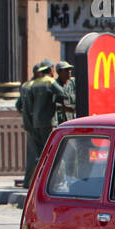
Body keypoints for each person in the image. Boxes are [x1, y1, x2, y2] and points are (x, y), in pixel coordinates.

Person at [20, 60, 68, 189]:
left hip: (33, 123)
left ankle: (32, 181)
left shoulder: (28, 85)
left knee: (37, 153)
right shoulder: (49, 82)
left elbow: (22, 105)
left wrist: (29, 118)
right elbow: (63, 94)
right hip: (48, 122)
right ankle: (56, 180)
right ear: (50, 69)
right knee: (54, 151)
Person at [55, 61, 76, 126]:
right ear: (59, 72)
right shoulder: (54, 85)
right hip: (60, 121)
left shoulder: (73, 83)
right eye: (66, 70)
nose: (69, 71)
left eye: (70, 69)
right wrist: (65, 108)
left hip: (72, 120)